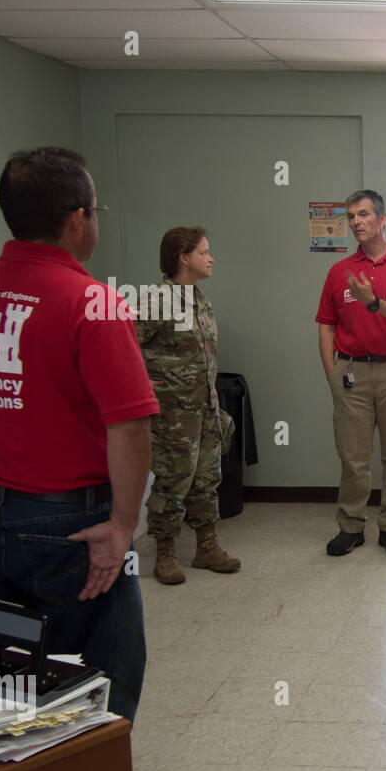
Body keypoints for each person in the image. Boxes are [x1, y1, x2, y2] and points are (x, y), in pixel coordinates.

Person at [0, 146, 195, 771]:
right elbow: (131, 425)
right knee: (103, 684)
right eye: (95, 212)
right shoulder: (90, 301)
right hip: (72, 527)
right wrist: (121, 526)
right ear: (76, 218)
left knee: (16, 674)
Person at [316, 189, 386, 557]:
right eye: (350, 217)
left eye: (363, 215)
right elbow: (326, 326)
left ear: (382, 219)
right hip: (351, 373)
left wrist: (375, 304)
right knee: (353, 457)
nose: (355, 222)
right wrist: (333, 373)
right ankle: (350, 527)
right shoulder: (339, 272)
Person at [138, 226, 240, 584]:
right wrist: (149, 386)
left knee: (206, 480)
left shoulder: (200, 300)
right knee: (172, 482)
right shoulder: (155, 301)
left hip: (206, 409)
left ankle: (206, 546)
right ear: (183, 257)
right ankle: (164, 553)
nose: (210, 258)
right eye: (204, 252)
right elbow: (123, 347)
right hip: (172, 416)